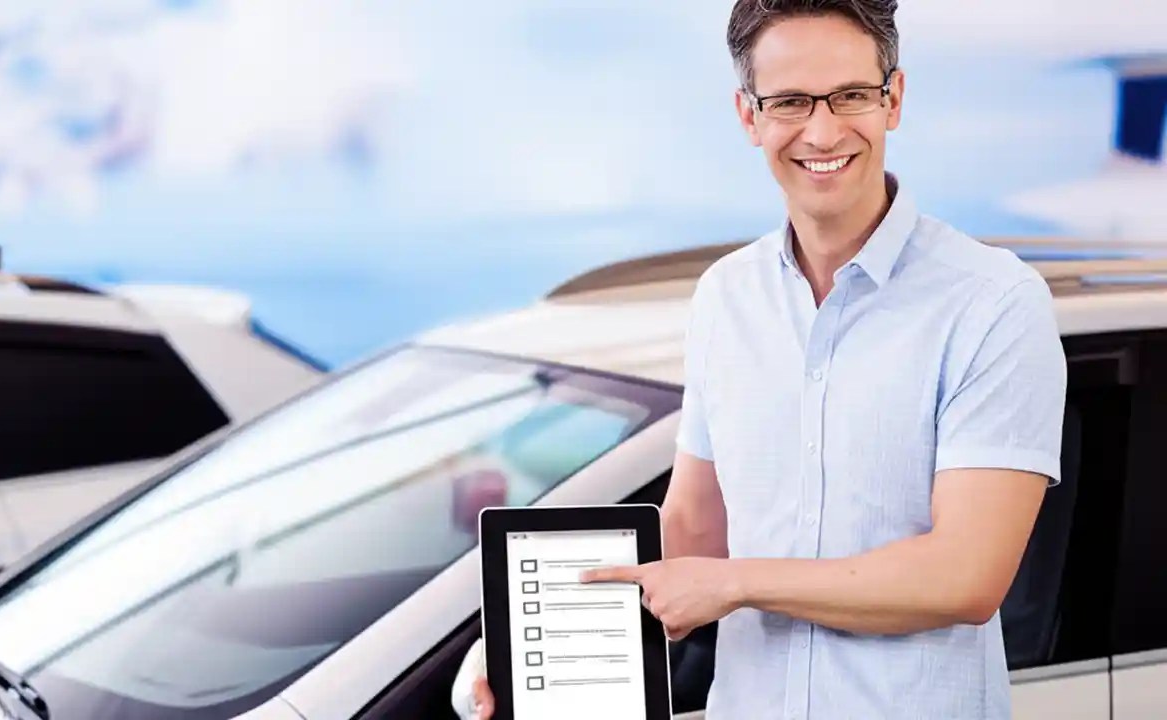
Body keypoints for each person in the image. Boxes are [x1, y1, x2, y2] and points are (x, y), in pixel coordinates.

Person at [453, 0, 1067, 717]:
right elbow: (693, 530)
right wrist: (523, 637)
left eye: (851, 95)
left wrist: (738, 583)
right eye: (791, 102)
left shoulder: (992, 303)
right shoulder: (726, 297)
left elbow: (964, 576)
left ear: (893, 100)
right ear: (749, 115)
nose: (823, 131)